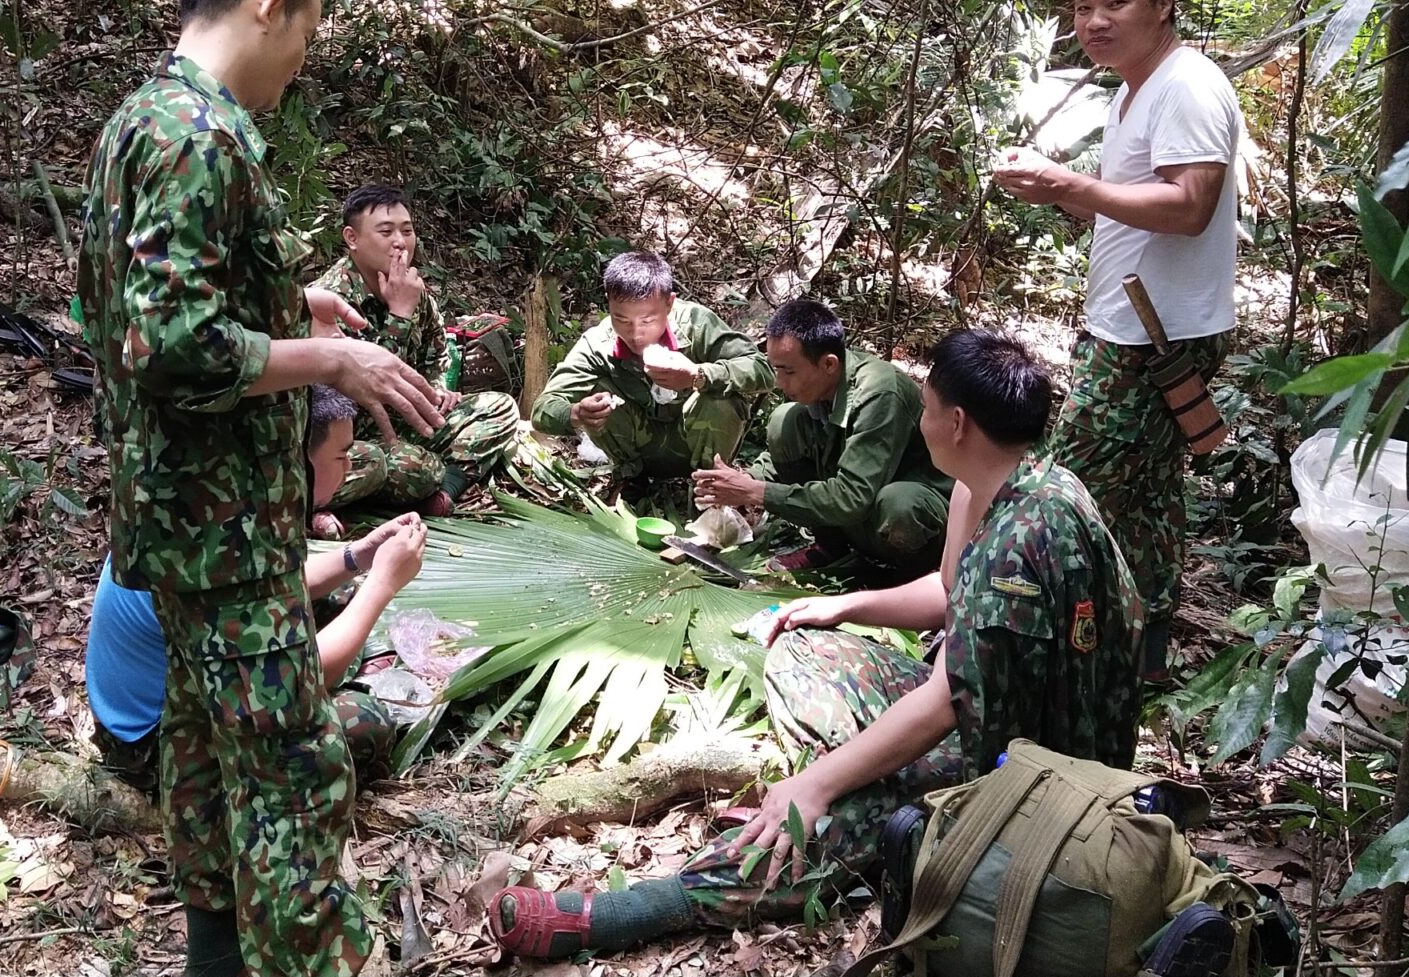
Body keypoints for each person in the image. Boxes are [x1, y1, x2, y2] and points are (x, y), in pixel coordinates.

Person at [488, 328, 1143, 957]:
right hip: (984, 712)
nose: (921, 417)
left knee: (810, 822)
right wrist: (839, 606)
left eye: (929, 406)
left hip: (1028, 779)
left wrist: (819, 785)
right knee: (799, 644)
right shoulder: (998, 480)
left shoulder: (1026, 537)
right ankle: (862, 773)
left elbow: (948, 698)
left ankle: (637, 907)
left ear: (959, 423)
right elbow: (949, 594)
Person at [76, 0, 442, 977]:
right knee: (290, 771)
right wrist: (326, 360)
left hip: (175, 524)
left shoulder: (140, 120)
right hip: (224, 531)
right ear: (268, 4)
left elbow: (134, 301)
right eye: (305, 37)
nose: (300, 64)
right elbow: (168, 342)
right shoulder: (201, 136)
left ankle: (215, 962)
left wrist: (289, 294)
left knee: (199, 762)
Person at [990, 0, 1243, 682]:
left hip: (1149, 337)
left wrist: (1070, 186)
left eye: (1116, 3)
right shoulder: (1136, 90)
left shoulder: (1185, 86)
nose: (1094, 22)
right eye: (1082, 8)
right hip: (1143, 323)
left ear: (1164, 4)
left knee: (1065, 489)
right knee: (1149, 494)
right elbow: (1136, 208)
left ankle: (1036, 641)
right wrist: (1058, 189)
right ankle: (1142, 647)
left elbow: (1190, 206)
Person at [87, 385, 428, 792]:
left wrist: (359, 555)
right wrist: (383, 584)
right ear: (295, 460)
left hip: (185, 695)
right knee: (364, 721)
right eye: (341, 456)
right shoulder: (212, 553)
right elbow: (292, 684)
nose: (350, 465)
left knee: (337, 598)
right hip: (158, 749)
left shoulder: (217, 501)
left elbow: (279, 584)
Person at [691, 299, 950, 576]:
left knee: (900, 504)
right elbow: (793, 454)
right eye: (776, 369)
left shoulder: (880, 392)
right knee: (783, 421)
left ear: (828, 364)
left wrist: (756, 492)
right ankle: (830, 547)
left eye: (788, 371)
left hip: (909, 515)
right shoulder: (821, 387)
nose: (780, 382)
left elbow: (852, 497)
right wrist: (744, 482)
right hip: (862, 515)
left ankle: (911, 580)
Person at [311, 185, 521, 517]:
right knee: (402, 468)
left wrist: (437, 388)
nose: (400, 242)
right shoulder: (328, 301)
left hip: (404, 421)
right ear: (352, 238)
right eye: (386, 231)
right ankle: (317, 505)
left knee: (499, 408)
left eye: (407, 231)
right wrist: (399, 315)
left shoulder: (411, 288)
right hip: (344, 439)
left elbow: (437, 351)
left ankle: (445, 491)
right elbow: (366, 394)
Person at [530, 251, 767, 494]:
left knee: (722, 399)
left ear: (669, 303)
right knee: (599, 390)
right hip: (637, 454)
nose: (635, 334)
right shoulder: (598, 343)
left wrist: (698, 375)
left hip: (696, 445)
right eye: (621, 319)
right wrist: (577, 413)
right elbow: (542, 409)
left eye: (647, 320)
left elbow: (763, 369)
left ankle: (708, 489)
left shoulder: (698, 324)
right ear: (608, 304)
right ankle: (631, 482)